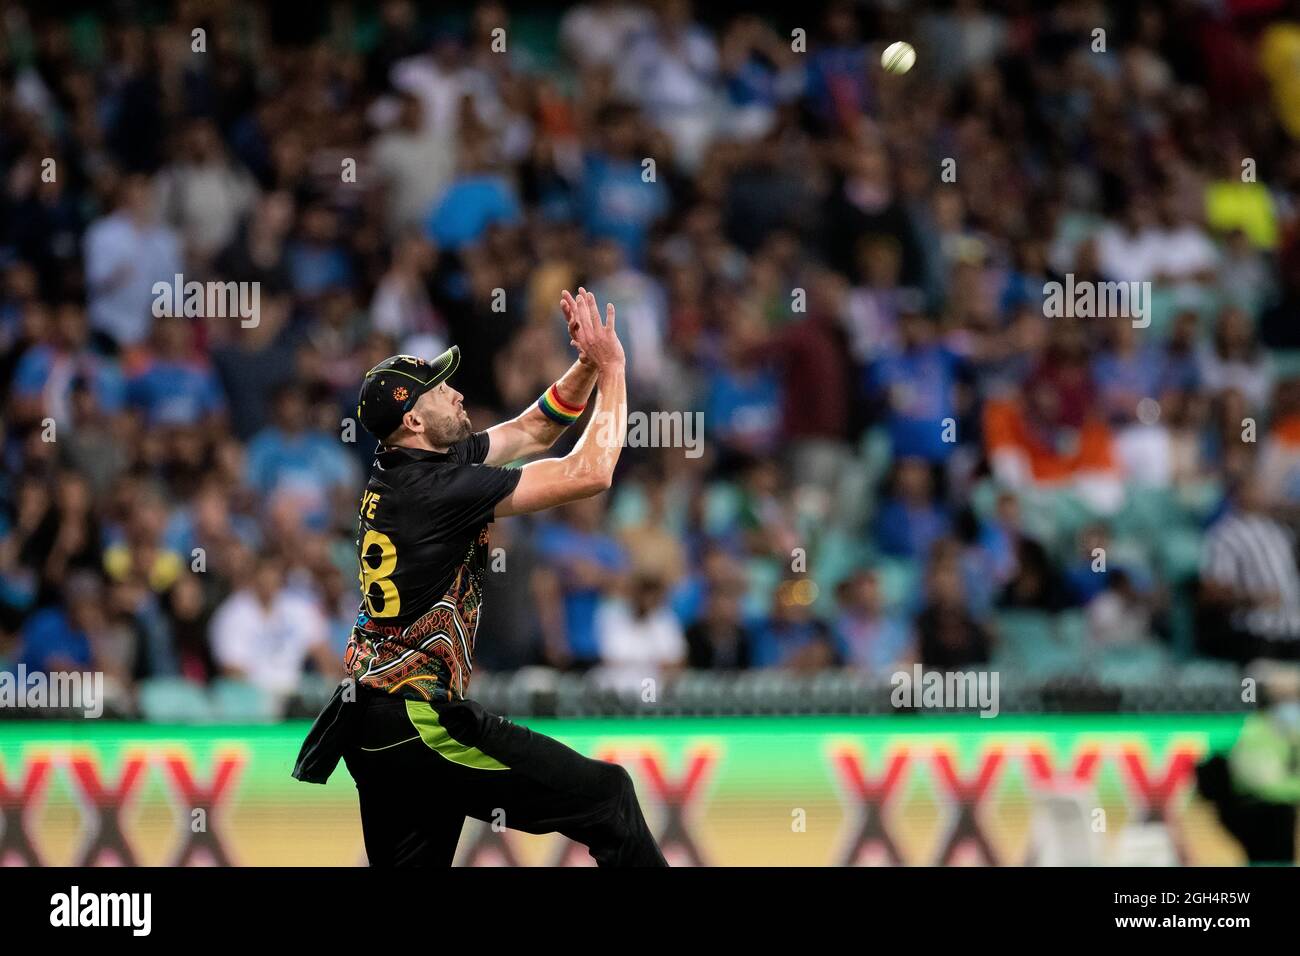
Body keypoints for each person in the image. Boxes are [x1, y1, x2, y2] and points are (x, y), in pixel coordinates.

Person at [294, 288, 667, 867]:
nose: (457, 392)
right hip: (416, 721)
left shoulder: (408, 467)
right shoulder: (439, 491)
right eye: (442, 390)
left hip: (374, 726)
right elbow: (591, 471)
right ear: (414, 418)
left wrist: (587, 364)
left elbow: (533, 431)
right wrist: (617, 368)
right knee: (608, 797)